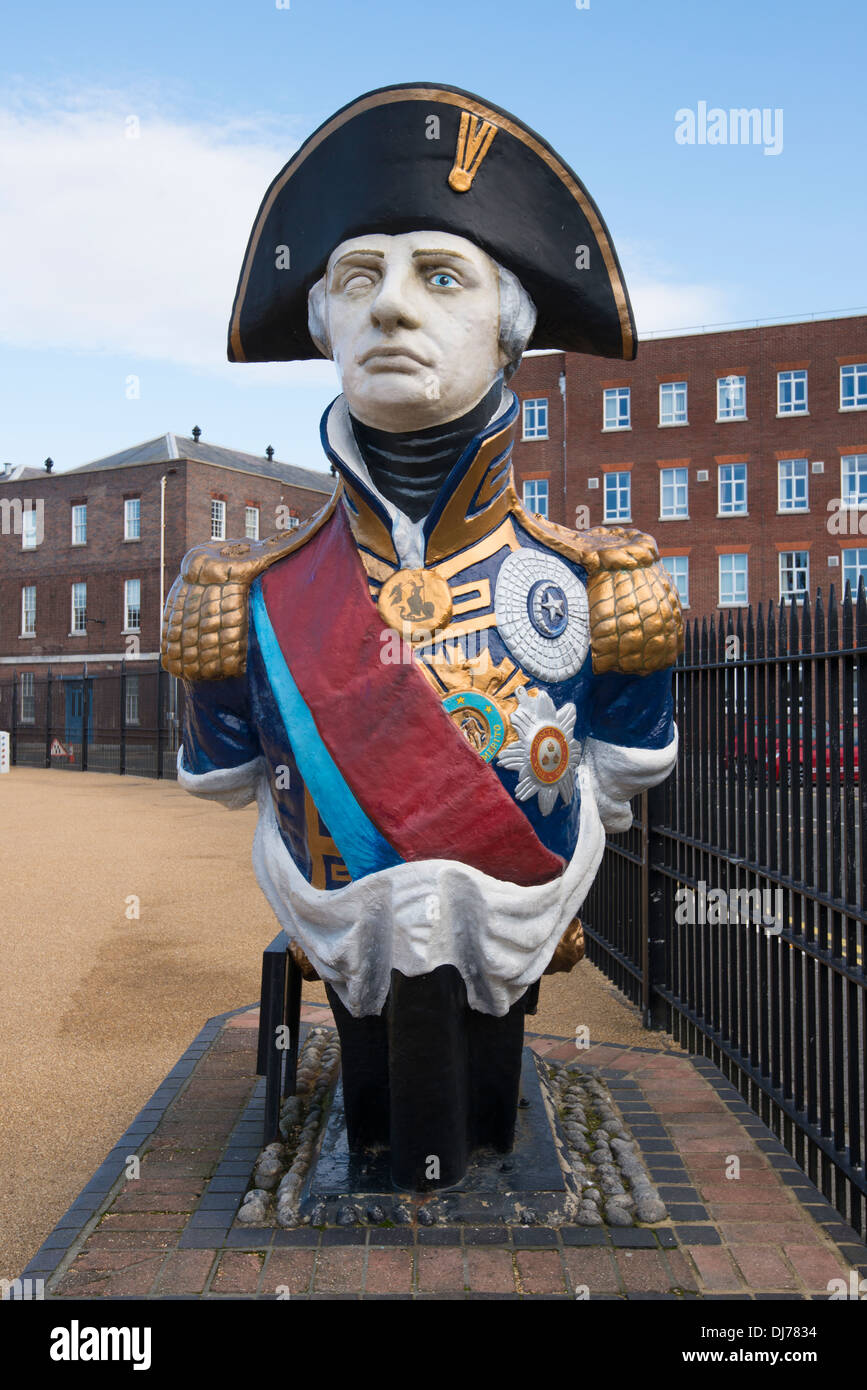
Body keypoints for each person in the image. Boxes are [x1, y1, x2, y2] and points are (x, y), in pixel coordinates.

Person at [162, 83, 683, 1190]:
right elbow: (222, 773)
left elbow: (626, 769)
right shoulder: (258, 594)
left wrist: (639, 661)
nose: (391, 308)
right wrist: (210, 672)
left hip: (520, 912)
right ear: (323, 324)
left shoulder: (584, 582)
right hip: (339, 919)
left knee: (496, 1086)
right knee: (367, 1082)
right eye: (359, 277)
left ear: (510, 325)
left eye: (439, 275)